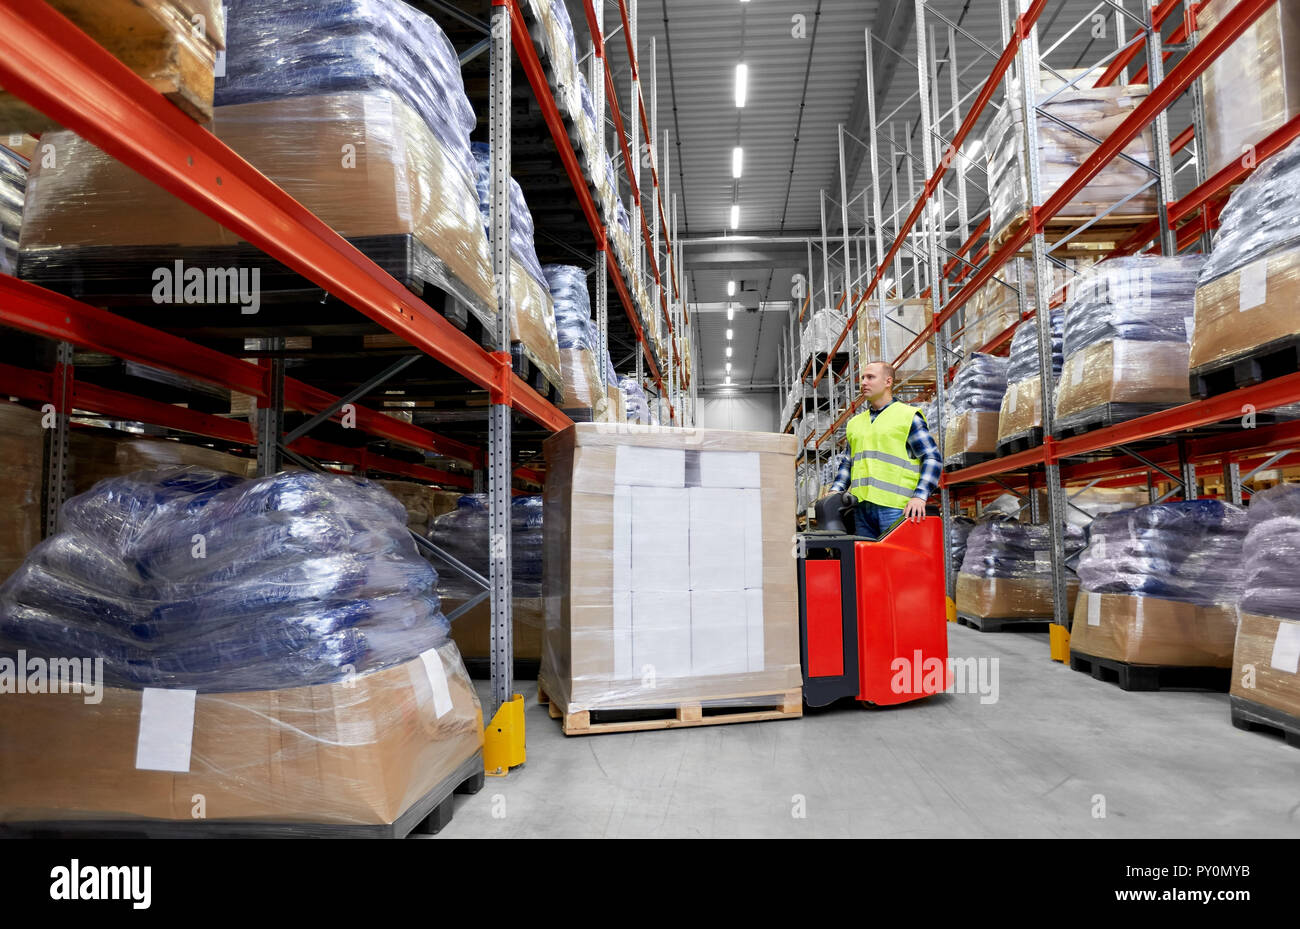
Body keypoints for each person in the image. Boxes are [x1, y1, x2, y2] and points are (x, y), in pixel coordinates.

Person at [825, 361, 942, 539]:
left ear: (888, 382)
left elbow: (932, 458)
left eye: (870, 377)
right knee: (869, 563)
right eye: (863, 378)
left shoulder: (907, 416)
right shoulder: (855, 423)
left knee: (897, 562)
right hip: (861, 509)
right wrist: (835, 491)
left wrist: (920, 496)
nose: (863, 382)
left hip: (896, 508)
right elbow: (848, 462)